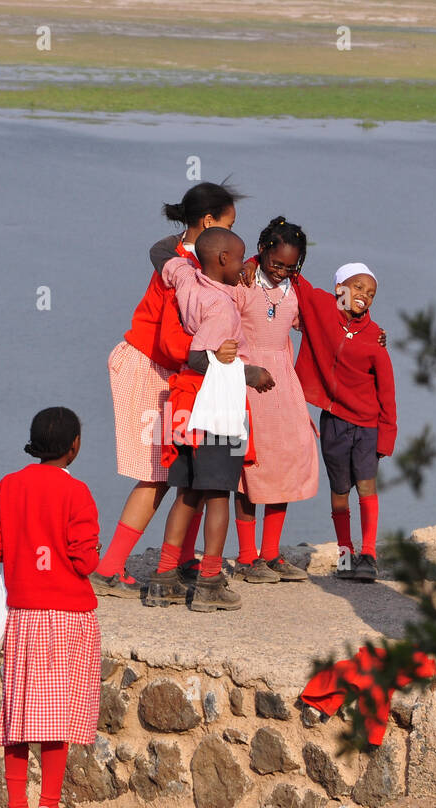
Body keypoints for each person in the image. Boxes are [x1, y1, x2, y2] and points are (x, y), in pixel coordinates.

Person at [92, 181, 244, 600]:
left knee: (189, 469)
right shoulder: (182, 272)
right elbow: (167, 339)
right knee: (157, 472)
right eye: (229, 226)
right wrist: (214, 355)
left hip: (177, 372)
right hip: (149, 365)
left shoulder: (188, 262)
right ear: (209, 224)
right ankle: (108, 569)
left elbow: (164, 246)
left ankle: (178, 559)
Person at [152, 217, 318, 584]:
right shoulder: (239, 286)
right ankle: (247, 556)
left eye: (291, 266)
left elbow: (319, 320)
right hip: (240, 382)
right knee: (248, 472)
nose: (281, 272)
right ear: (260, 253)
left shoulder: (297, 290)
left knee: (286, 459)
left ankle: (271, 553)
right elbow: (210, 335)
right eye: (275, 264)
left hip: (281, 383)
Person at [0, 407, 101, 808]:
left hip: (23, 615)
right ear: (74, 446)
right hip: (67, 616)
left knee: (20, 717)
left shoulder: (10, 485)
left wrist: (24, 545)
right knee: (56, 718)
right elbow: (85, 559)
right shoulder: (77, 492)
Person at [143, 227, 276, 611]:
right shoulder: (221, 308)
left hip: (186, 406)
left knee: (188, 493)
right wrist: (253, 374)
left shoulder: (186, 277)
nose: (244, 265)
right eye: (239, 258)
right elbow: (201, 358)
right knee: (218, 495)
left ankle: (164, 577)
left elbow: (158, 249)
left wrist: (190, 228)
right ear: (221, 260)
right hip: (217, 408)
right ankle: (210, 581)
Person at [289, 262, 397, 582]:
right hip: (333, 420)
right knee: (339, 490)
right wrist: (253, 265)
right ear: (340, 288)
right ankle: (345, 555)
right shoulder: (321, 307)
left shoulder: (375, 336)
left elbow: (387, 391)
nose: (365, 295)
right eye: (359, 287)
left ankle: (369, 555)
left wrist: (386, 437)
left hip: (366, 424)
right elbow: (296, 280)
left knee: (365, 485)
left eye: (371, 293)